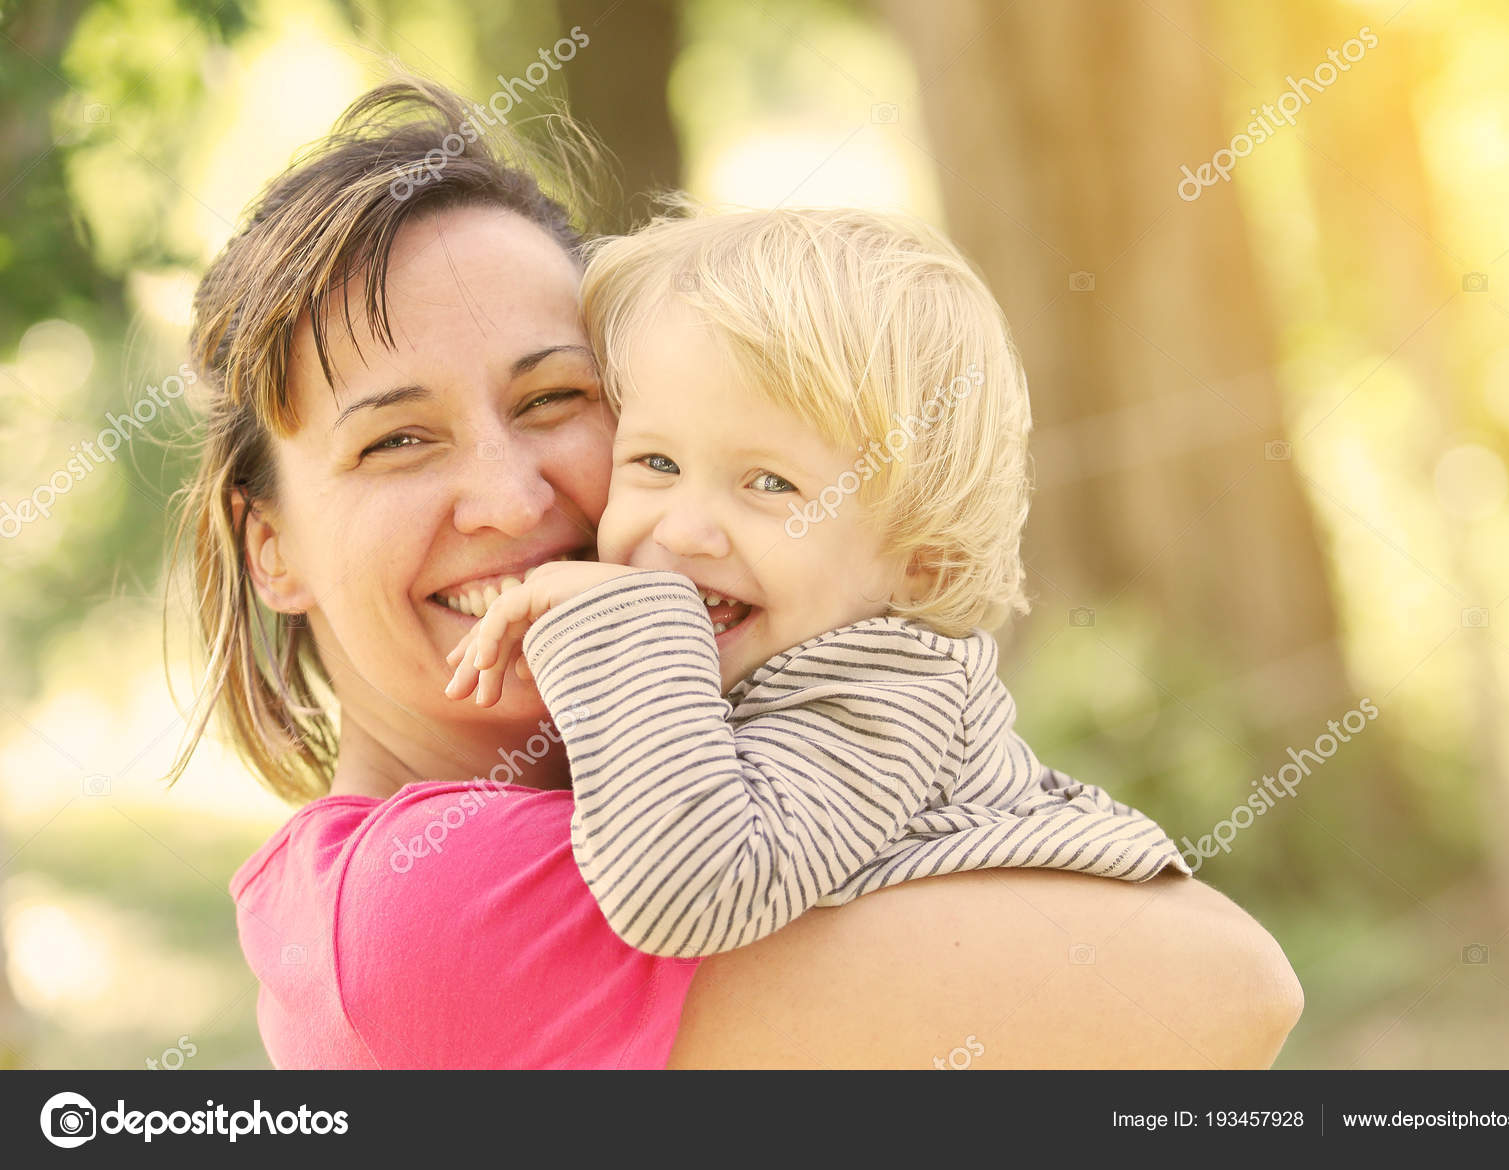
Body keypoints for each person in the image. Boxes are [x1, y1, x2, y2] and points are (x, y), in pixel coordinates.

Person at [170, 77, 1302, 1068]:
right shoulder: (439, 908)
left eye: (554, 399)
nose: (515, 501)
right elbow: (1221, 989)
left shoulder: (802, 707)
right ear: (269, 545)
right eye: (395, 440)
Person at [442, 208, 1190, 959]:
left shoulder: (885, 694)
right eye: (656, 464)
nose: (683, 530)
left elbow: (688, 897)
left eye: (770, 483)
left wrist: (626, 631)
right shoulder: (785, 661)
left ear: (918, 559)